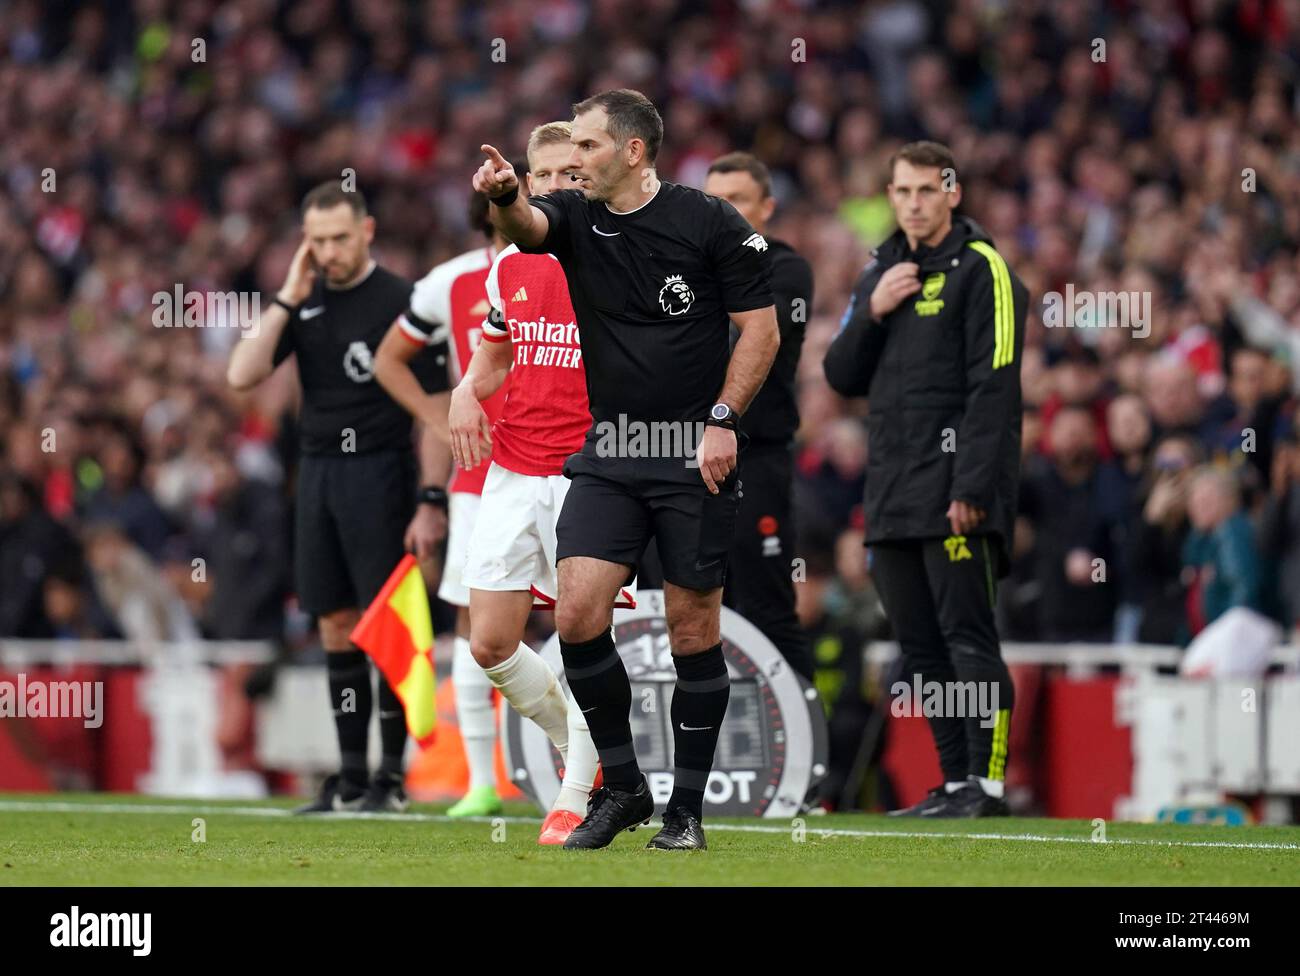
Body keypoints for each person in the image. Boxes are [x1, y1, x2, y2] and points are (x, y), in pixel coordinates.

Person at [473, 88, 779, 849]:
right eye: (568, 147)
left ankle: (687, 812)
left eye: (586, 146)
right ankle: (625, 787)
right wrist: (507, 194)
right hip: (611, 449)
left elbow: (761, 333)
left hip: (691, 452)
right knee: (576, 615)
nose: (572, 160)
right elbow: (526, 227)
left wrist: (721, 420)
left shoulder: (709, 222)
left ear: (633, 151)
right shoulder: (574, 216)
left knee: (690, 627)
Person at [378, 124, 622, 845]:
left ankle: (573, 800)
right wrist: (460, 396)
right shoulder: (508, 266)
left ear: (584, 180)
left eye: (564, 173)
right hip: (512, 471)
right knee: (488, 645)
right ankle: (595, 753)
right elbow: (493, 355)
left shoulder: (611, 258)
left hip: (589, 471)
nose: (550, 184)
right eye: (539, 172)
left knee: (583, 639)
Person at [227, 182, 446, 814]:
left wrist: (430, 498)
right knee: (334, 625)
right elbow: (242, 375)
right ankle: (351, 777)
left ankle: (393, 779)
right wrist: (287, 296)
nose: (329, 251)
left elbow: (431, 411)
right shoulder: (306, 300)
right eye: (317, 241)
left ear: (367, 231)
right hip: (316, 477)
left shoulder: (403, 300)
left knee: (389, 628)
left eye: (340, 238)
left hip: (381, 475)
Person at [824, 141, 1027, 818]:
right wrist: (874, 311)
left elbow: (993, 388)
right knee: (919, 647)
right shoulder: (880, 268)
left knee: (968, 635)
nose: (913, 202)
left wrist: (971, 488)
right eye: (901, 191)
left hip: (955, 495)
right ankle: (952, 782)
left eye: (925, 190)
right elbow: (839, 375)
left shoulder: (983, 269)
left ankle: (986, 786)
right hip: (890, 495)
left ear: (952, 193)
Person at [372, 191, 510, 819]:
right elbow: (390, 360)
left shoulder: (578, 265)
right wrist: (436, 413)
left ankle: (592, 771)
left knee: (583, 617)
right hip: (480, 479)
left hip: (570, 466)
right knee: (476, 628)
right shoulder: (450, 282)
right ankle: (481, 781)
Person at [704, 152, 814, 681]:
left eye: (738, 201)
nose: (724, 211)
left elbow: (741, 339)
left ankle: (809, 756)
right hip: (684, 459)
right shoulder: (682, 265)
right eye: (714, 200)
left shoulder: (786, 267)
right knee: (682, 609)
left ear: (766, 207)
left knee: (767, 608)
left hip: (756, 458)